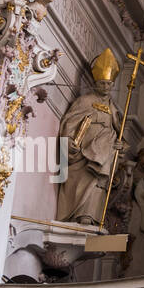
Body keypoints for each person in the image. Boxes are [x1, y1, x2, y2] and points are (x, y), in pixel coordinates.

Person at [56, 49, 123, 227]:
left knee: (97, 185)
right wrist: (70, 141)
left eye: (109, 84)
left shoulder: (114, 110)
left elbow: (118, 132)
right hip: (84, 154)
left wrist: (118, 145)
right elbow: (70, 123)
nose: (106, 87)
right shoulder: (85, 101)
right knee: (85, 180)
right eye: (102, 83)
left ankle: (89, 216)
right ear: (95, 83)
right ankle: (77, 214)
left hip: (103, 155)